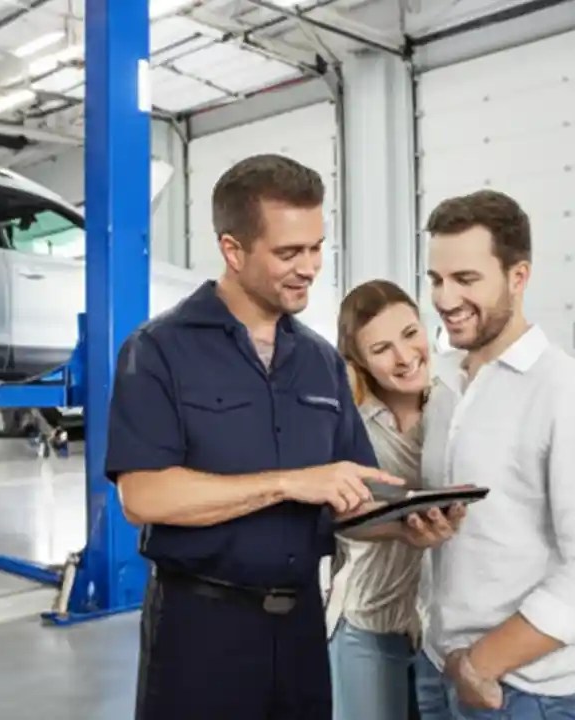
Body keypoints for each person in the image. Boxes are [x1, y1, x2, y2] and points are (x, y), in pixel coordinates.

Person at [103, 154, 402, 720]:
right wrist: (290, 483)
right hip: (200, 631)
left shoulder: (319, 361)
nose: (310, 267)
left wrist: (407, 524)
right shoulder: (160, 350)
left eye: (317, 247)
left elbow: (349, 493)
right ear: (233, 250)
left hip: (301, 632)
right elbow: (143, 497)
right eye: (289, 252)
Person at [414, 189, 575, 719]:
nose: (445, 299)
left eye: (466, 280)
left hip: (518, 691)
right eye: (436, 280)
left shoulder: (571, 396)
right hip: (434, 668)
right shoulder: (446, 387)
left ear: (519, 277)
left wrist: (482, 663)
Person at [325, 280, 466, 720]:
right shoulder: (349, 422)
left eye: (410, 334)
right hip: (370, 621)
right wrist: (404, 529)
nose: (405, 357)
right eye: (382, 348)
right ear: (359, 361)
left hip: (443, 631)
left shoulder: (458, 399)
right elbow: (335, 519)